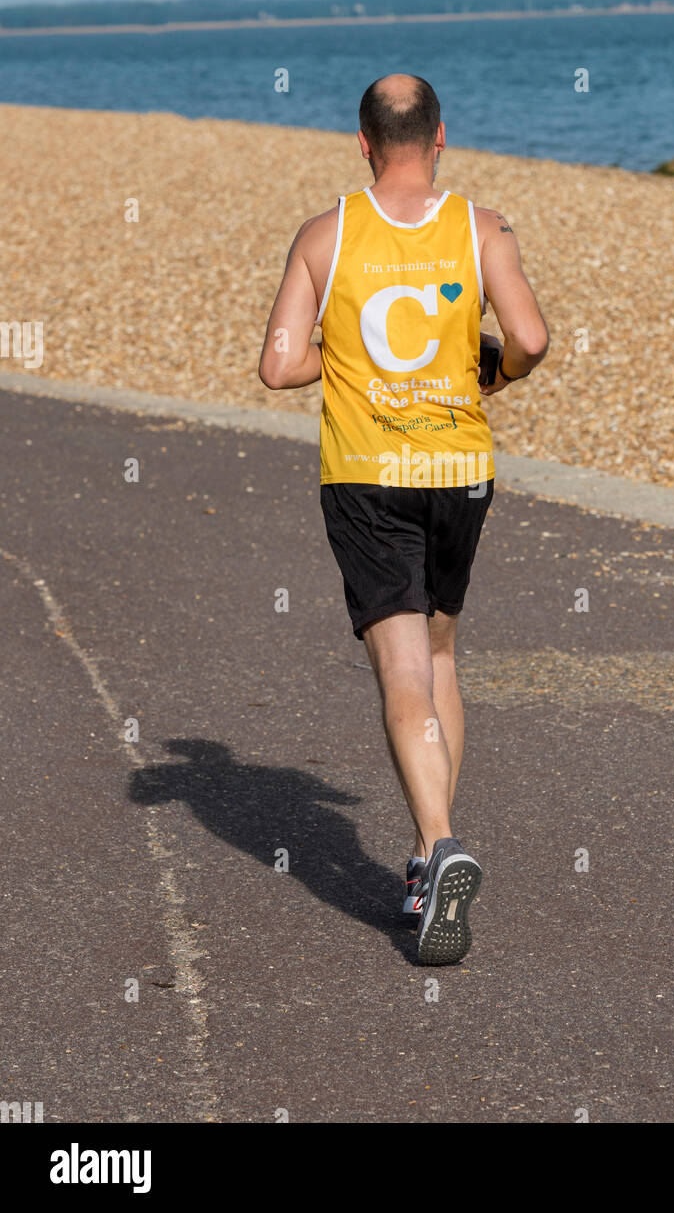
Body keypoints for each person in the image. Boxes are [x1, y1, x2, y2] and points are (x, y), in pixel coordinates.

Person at [259, 74, 548, 963]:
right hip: (459, 470)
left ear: (362, 141)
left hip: (368, 475)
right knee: (444, 652)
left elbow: (278, 366)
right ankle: (429, 855)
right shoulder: (481, 227)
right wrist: (490, 376)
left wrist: (344, 358)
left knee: (400, 669)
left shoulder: (325, 235)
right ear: (441, 137)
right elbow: (531, 339)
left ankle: (442, 842)